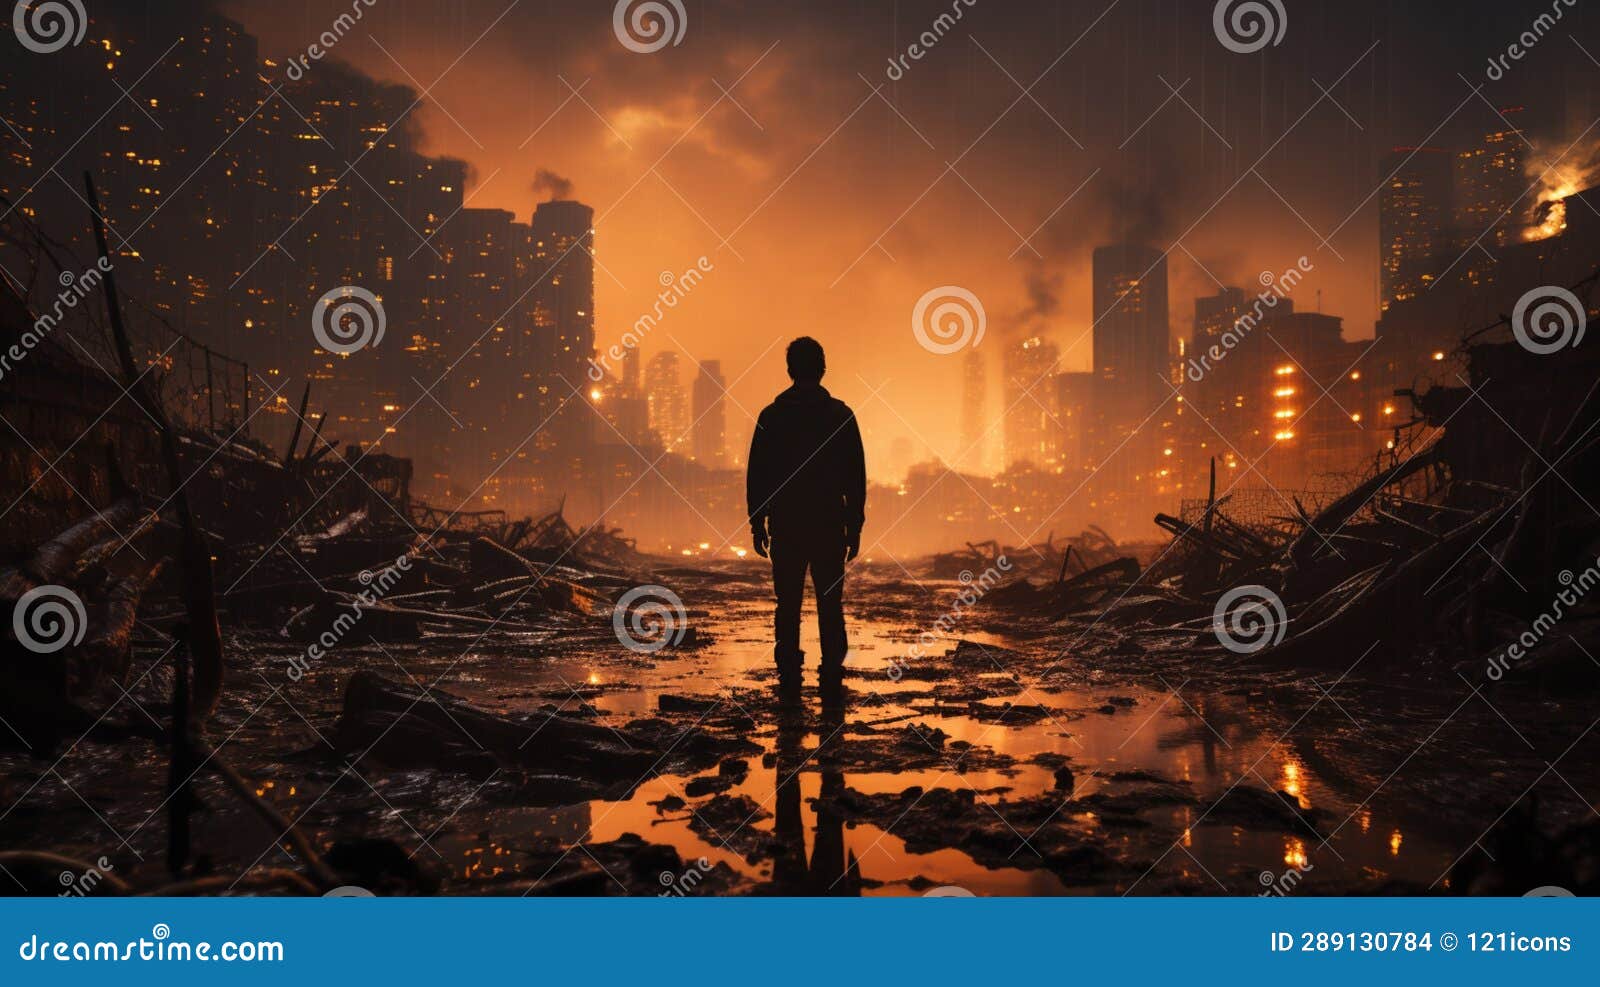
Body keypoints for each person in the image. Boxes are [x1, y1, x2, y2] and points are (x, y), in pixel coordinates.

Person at [746, 337, 866, 711]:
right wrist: (854, 524)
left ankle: (789, 675)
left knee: (788, 603)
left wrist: (757, 520)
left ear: (790, 371)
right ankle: (831, 673)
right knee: (831, 602)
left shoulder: (772, 416)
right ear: (822, 368)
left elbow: (758, 474)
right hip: (828, 524)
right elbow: (856, 476)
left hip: (787, 523)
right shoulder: (840, 416)